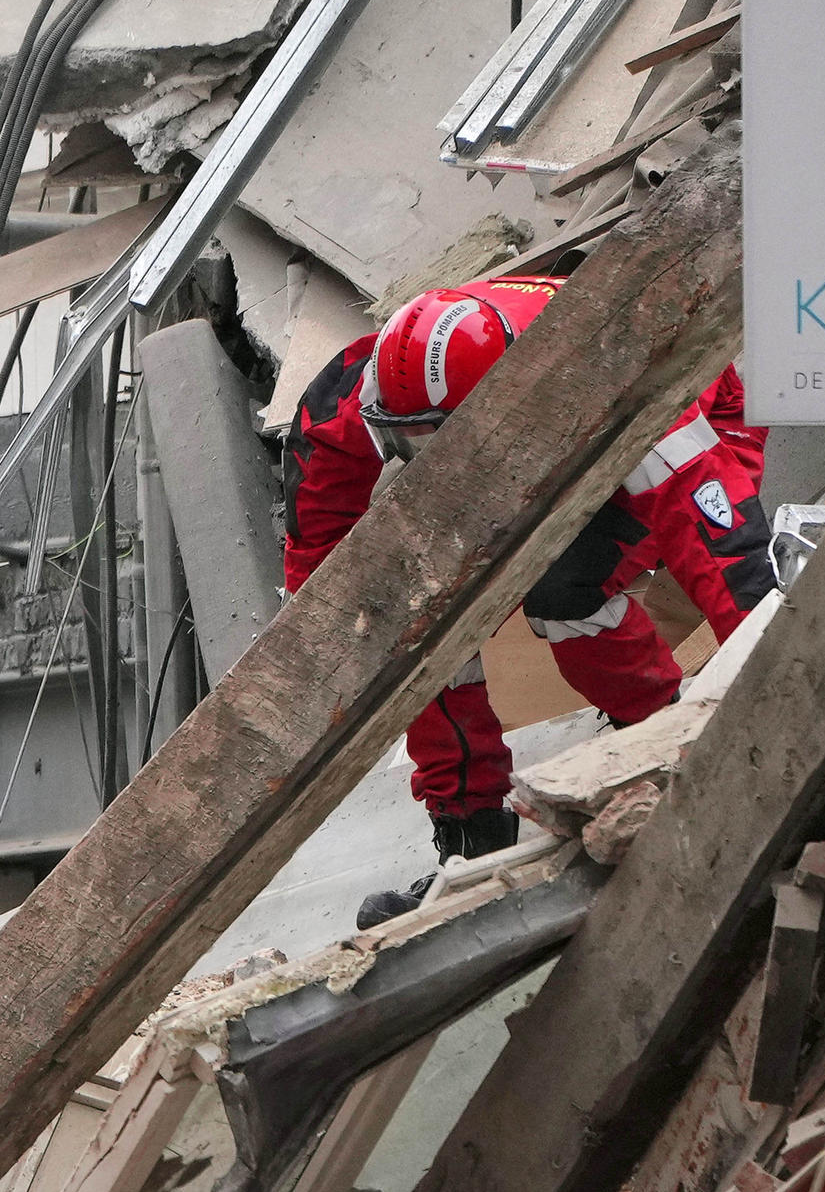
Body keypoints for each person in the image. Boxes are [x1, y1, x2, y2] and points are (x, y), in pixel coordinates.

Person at [282, 274, 771, 924]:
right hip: (530, 435)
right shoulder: (347, 401)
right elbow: (320, 580)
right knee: (408, 621)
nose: (434, 469)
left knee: (565, 592)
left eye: (446, 443)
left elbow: (726, 555)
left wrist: (774, 707)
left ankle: (655, 740)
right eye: (413, 445)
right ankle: (469, 836)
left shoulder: (624, 374)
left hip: (703, 415)